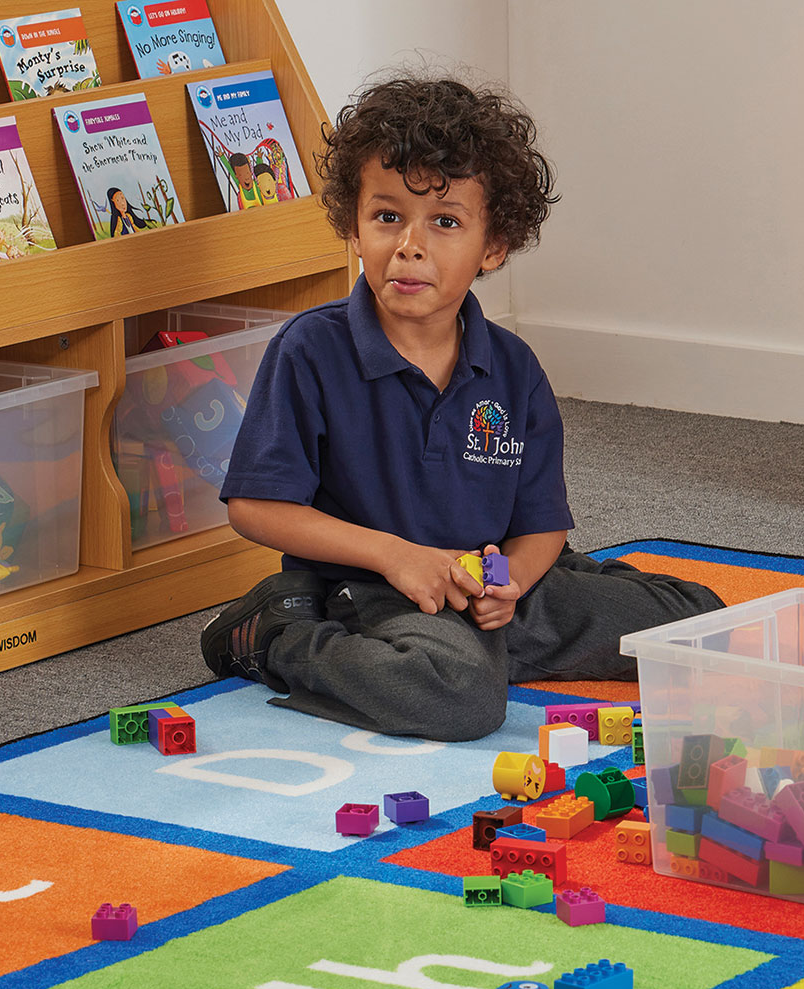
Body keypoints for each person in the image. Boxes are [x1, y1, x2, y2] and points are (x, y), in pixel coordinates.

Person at [200, 73, 723, 739]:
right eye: (387, 217)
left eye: (445, 222)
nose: (410, 244)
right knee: (461, 699)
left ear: (493, 247)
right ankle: (277, 635)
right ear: (355, 229)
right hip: (373, 588)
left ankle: (482, 648)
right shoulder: (310, 349)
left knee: (706, 625)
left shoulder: (513, 368)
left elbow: (541, 526)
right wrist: (396, 556)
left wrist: (510, 583)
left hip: (492, 585)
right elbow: (255, 505)